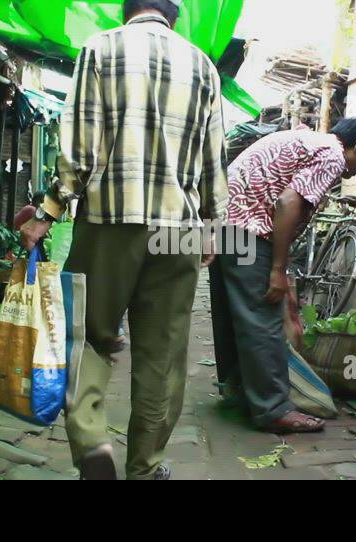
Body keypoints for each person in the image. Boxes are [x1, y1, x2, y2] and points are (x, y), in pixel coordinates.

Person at [19, 0, 228, 480]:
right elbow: (215, 155)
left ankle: (93, 440)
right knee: (163, 352)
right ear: (172, 16)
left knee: (88, 338)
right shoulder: (203, 66)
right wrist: (214, 223)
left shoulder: (100, 49)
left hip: (109, 221)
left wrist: (49, 212)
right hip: (177, 229)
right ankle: (145, 466)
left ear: (127, 9)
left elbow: (78, 143)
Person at [211, 118, 356, 433]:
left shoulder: (308, 140)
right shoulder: (332, 154)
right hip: (249, 226)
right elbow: (288, 202)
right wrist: (277, 270)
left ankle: (239, 390)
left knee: (234, 313)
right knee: (262, 319)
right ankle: (273, 409)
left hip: (226, 222)